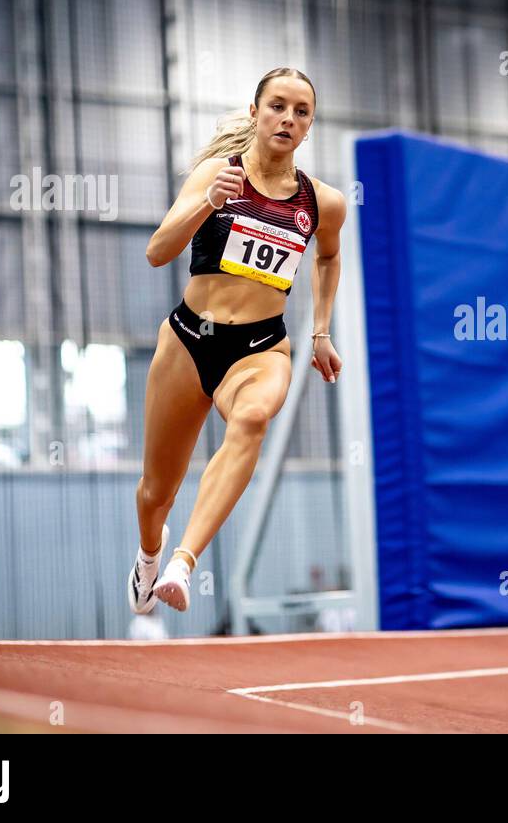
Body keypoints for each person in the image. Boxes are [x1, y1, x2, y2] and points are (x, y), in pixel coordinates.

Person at [127, 67, 346, 614]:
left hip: (261, 349)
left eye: (301, 112)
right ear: (255, 112)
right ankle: (151, 553)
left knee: (251, 419)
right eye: (277, 106)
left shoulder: (323, 203)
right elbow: (157, 252)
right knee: (155, 491)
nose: (287, 119)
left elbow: (328, 256)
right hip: (188, 340)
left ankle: (183, 562)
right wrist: (208, 201)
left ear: (309, 126)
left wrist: (320, 330)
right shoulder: (213, 173)